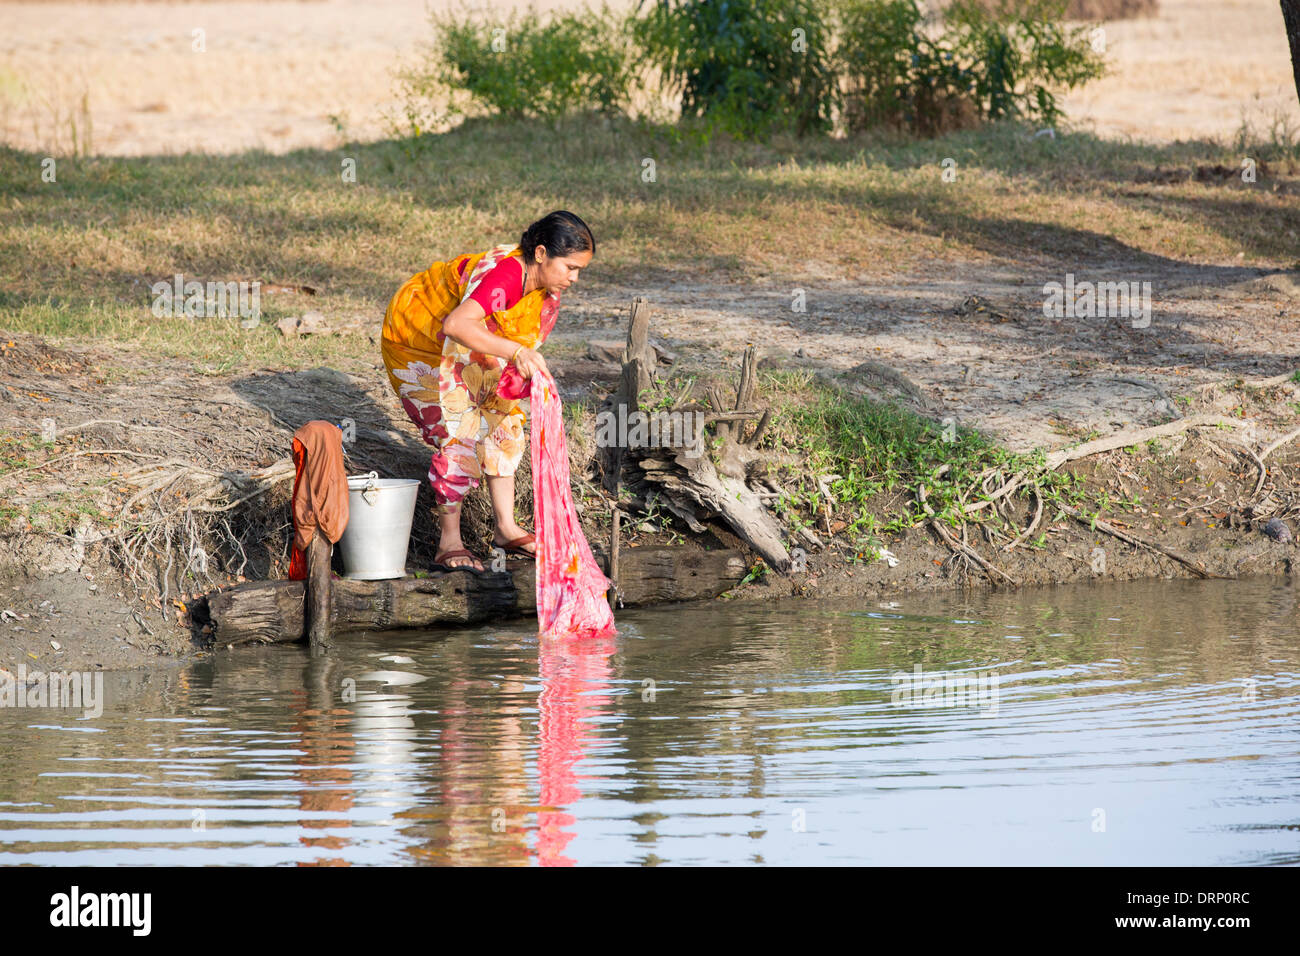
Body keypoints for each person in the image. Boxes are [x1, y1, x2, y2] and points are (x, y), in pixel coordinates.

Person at [381, 210, 595, 573]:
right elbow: (456, 324)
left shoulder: (544, 286)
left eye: (579, 271)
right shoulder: (509, 275)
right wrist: (515, 352)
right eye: (570, 268)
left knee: (503, 416)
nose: (574, 279)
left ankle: (506, 529)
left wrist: (519, 362)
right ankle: (449, 541)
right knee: (459, 423)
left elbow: (507, 339)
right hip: (417, 337)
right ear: (540, 254)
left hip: (464, 338)